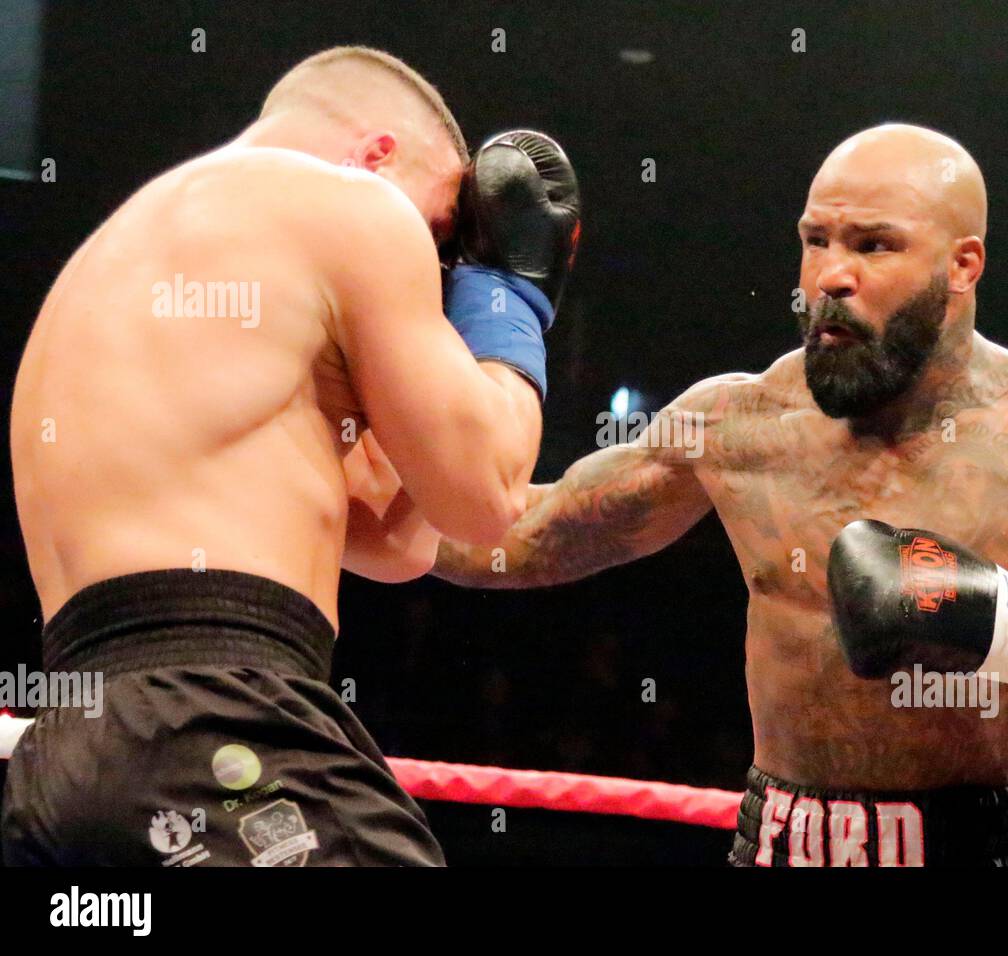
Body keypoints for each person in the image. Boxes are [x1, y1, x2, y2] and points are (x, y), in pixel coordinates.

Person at [431, 124, 1008, 866]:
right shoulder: (735, 425)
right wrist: (335, 491)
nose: (831, 276)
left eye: (874, 245)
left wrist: (997, 620)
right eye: (814, 240)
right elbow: (518, 536)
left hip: (979, 848)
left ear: (962, 265)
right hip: (779, 839)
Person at [2, 45, 579, 866]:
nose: (440, 266)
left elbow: (396, 540)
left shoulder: (110, 266)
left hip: (64, 764)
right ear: (376, 154)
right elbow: (484, 496)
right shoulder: (352, 205)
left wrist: (434, 381)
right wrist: (510, 300)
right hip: (218, 722)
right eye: (442, 230)